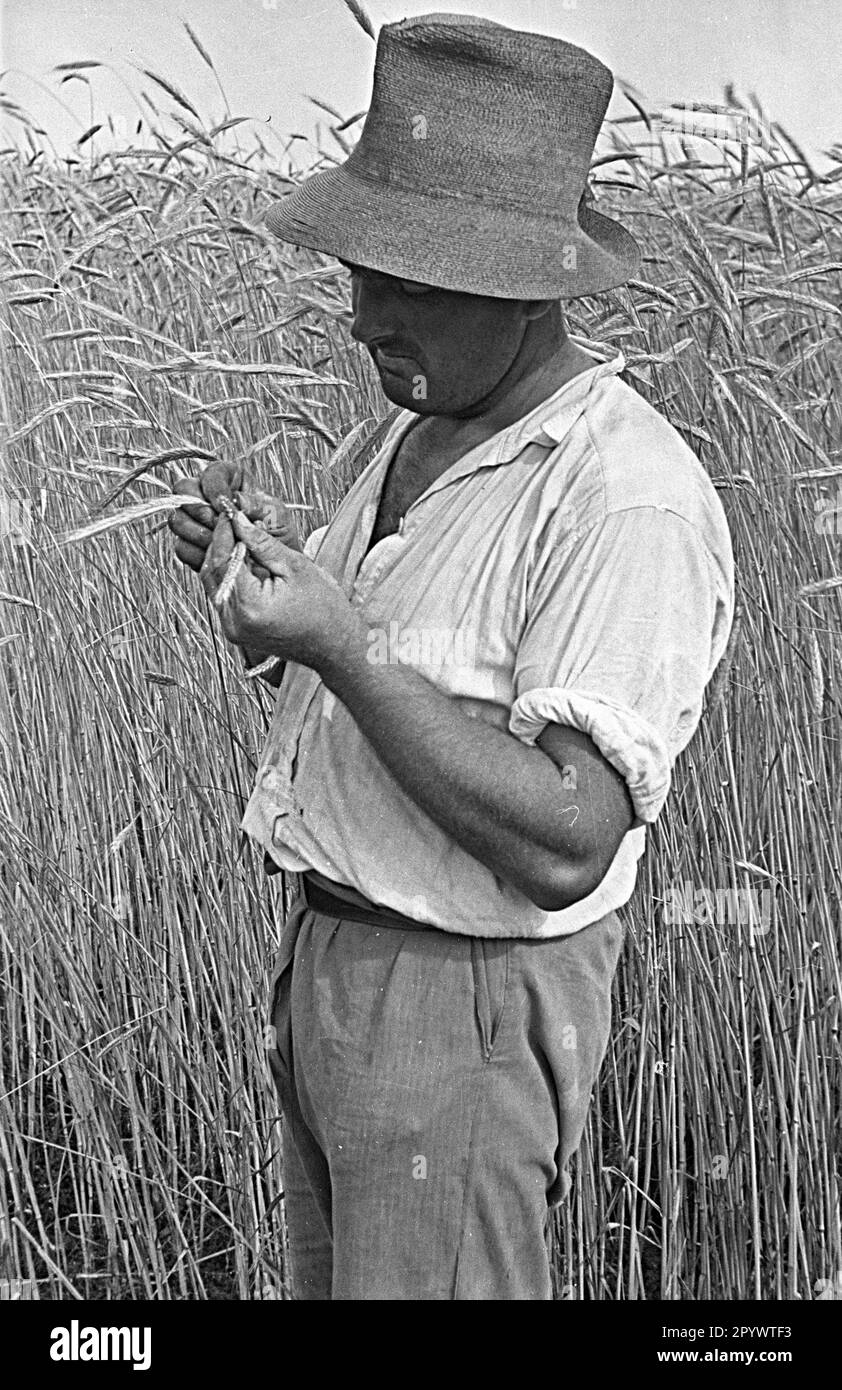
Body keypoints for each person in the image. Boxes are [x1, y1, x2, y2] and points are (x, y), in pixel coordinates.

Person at [169, 13, 735, 1300]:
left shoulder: (619, 495)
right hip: (336, 974)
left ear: (520, 284)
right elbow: (404, 659)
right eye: (361, 272)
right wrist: (270, 592)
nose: (364, 315)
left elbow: (565, 839)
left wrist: (345, 647)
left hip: (464, 1011)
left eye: (407, 280)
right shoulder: (423, 431)